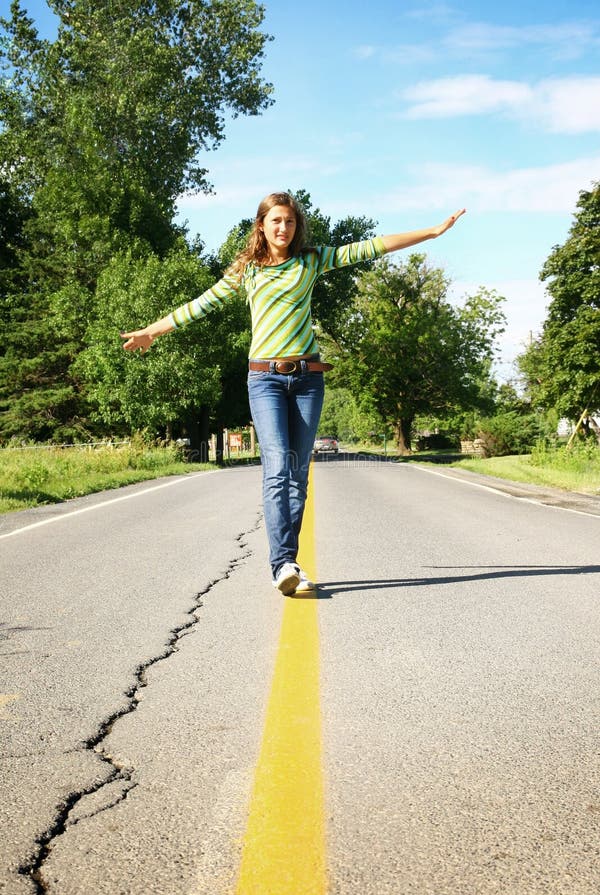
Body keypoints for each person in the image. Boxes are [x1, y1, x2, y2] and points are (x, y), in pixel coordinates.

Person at [122, 192, 465, 596]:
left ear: (296, 225)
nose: (283, 228)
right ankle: (282, 563)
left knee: (298, 476)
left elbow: (370, 247)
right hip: (264, 379)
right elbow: (200, 304)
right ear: (262, 226)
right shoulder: (247, 270)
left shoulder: (311, 261)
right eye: (275, 221)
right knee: (278, 470)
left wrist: (432, 231)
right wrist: (152, 332)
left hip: (307, 380)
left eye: (289, 221)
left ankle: (289, 562)